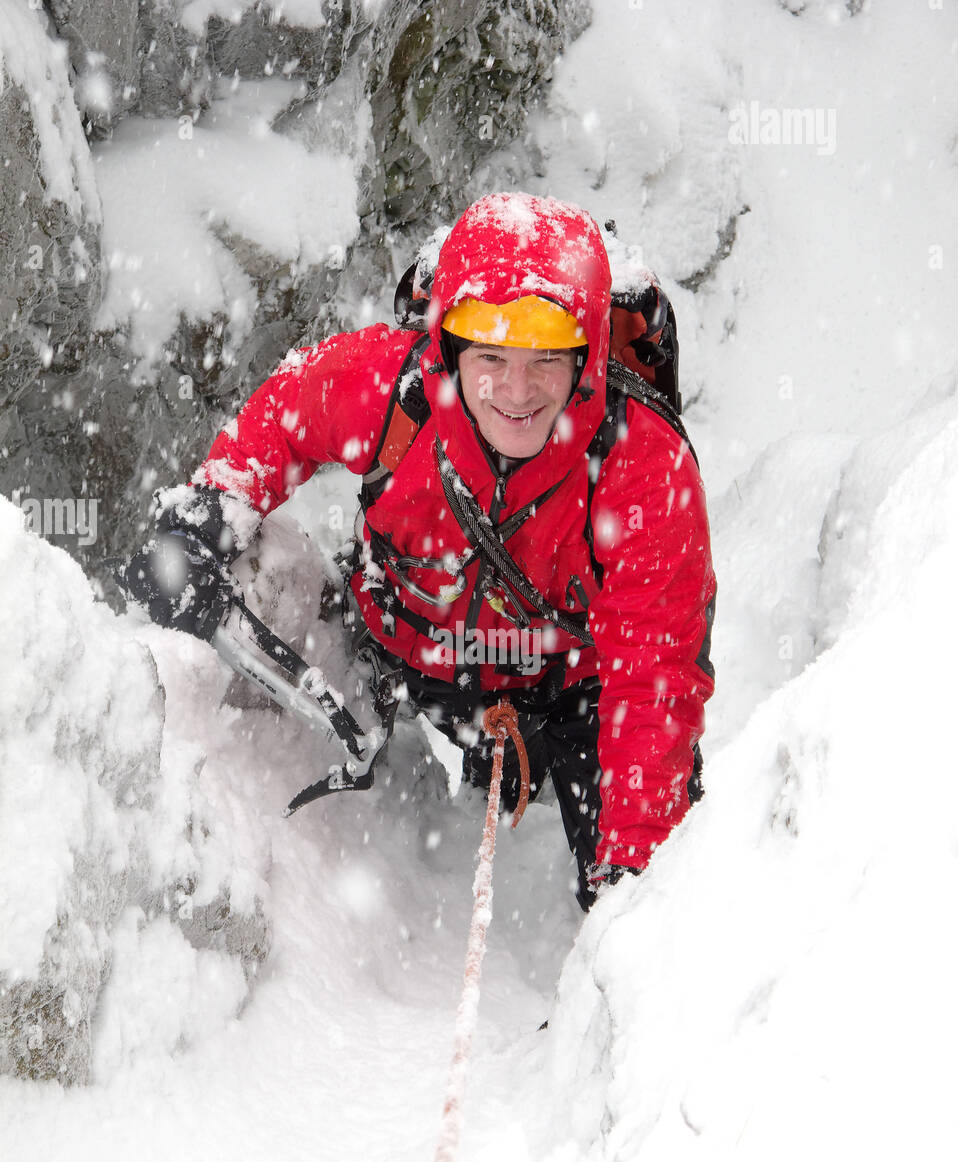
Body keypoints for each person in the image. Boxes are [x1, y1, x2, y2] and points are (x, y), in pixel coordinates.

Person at [122, 192, 716, 910]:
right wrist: (206, 517)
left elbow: (652, 683)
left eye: (544, 363)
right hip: (408, 660)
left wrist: (634, 882)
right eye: (490, 357)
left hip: (573, 693)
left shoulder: (642, 465)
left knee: (641, 892)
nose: (516, 391)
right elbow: (282, 417)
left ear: (586, 358)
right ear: (450, 352)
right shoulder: (390, 389)